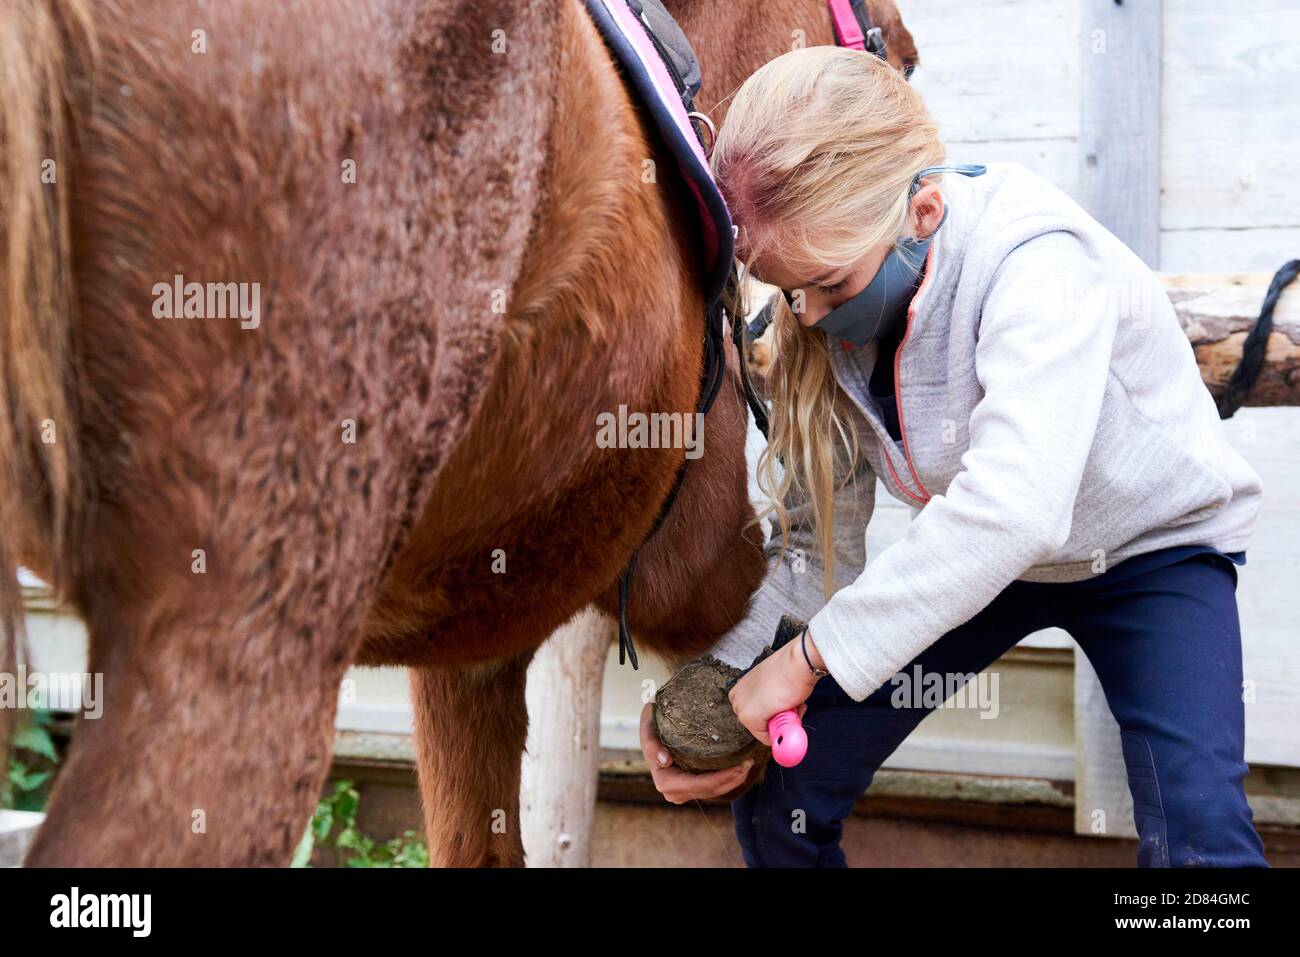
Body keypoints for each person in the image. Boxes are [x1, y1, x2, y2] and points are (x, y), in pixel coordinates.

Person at [639, 45, 1268, 868]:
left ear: (924, 212)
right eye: (787, 289)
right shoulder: (817, 311)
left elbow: (1015, 507)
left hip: (1153, 550)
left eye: (829, 283)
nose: (810, 315)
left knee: (1198, 845)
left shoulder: (1037, 262)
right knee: (782, 802)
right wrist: (718, 692)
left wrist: (803, 661)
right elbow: (812, 552)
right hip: (986, 561)